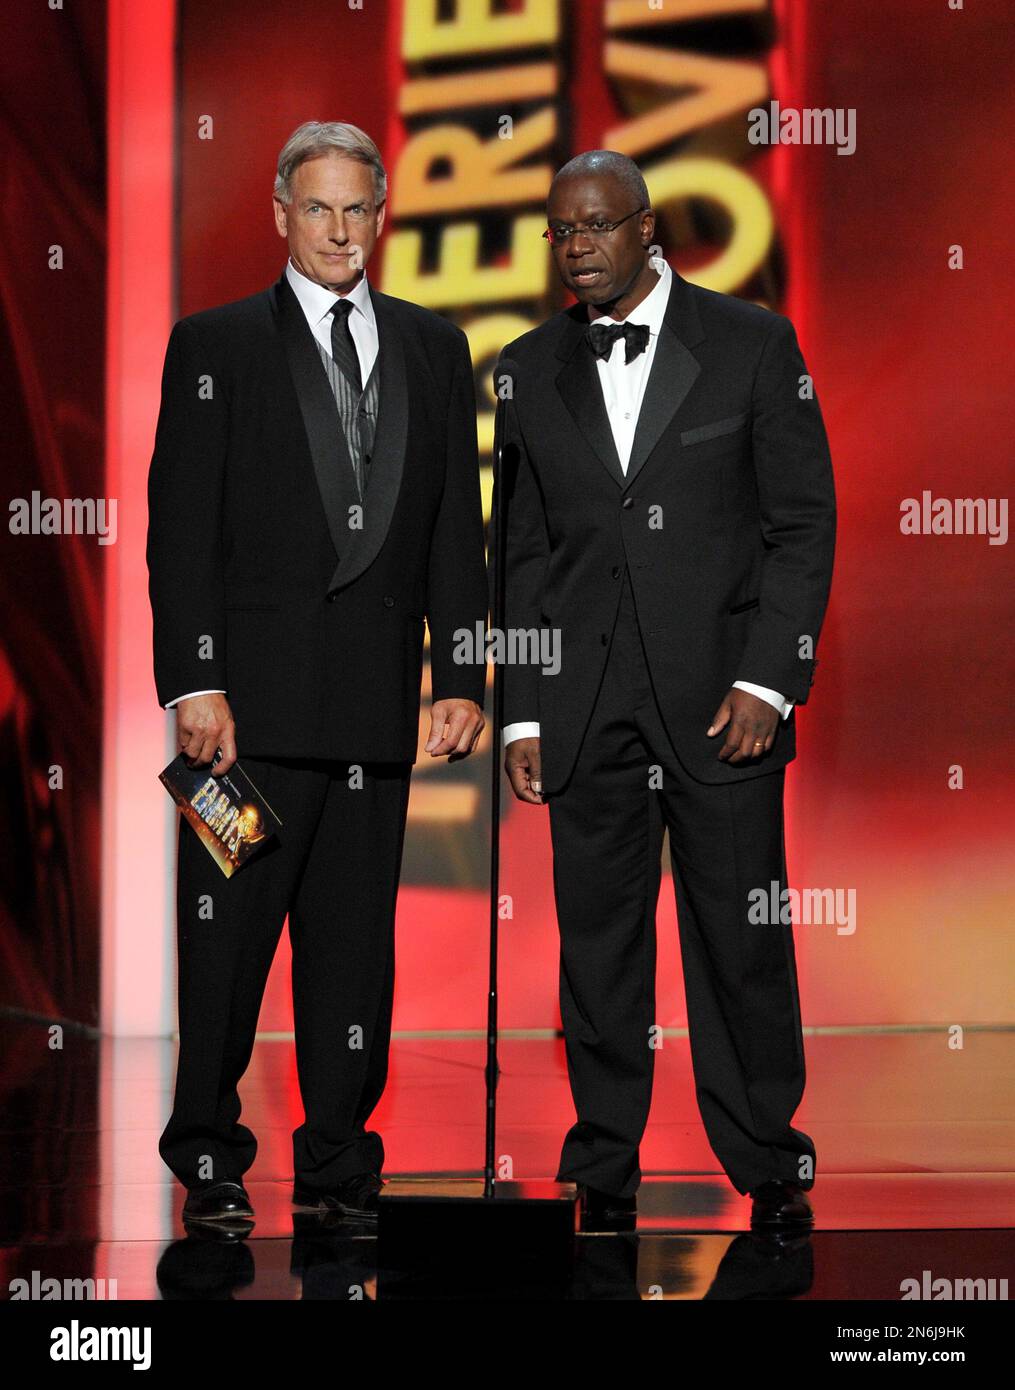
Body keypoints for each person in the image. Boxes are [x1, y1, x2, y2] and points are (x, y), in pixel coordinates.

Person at [147, 121, 487, 1225]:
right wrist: (194, 681)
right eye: (320, 210)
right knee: (223, 952)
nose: (341, 232)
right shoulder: (216, 344)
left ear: (381, 214)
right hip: (238, 723)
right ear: (282, 216)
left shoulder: (435, 349)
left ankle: (339, 1163)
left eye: (359, 209)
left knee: (353, 961)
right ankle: (209, 1160)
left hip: (375, 710)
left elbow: (453, 531)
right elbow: (179, 529)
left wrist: (463, 674)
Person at [492, 150, 836, 1231]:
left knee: (739, 937)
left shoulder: (750, 344)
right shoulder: (525, 365)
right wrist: (527, 707)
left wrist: (767, 683)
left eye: (595, 225)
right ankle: (602, 1159)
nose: (577, 244)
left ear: (648, 230)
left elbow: (802, 523)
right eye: (560, 230)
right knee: (597, 945)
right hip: (586, 705)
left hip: (719, 703)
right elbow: (521, 552)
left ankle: (767, 1154)